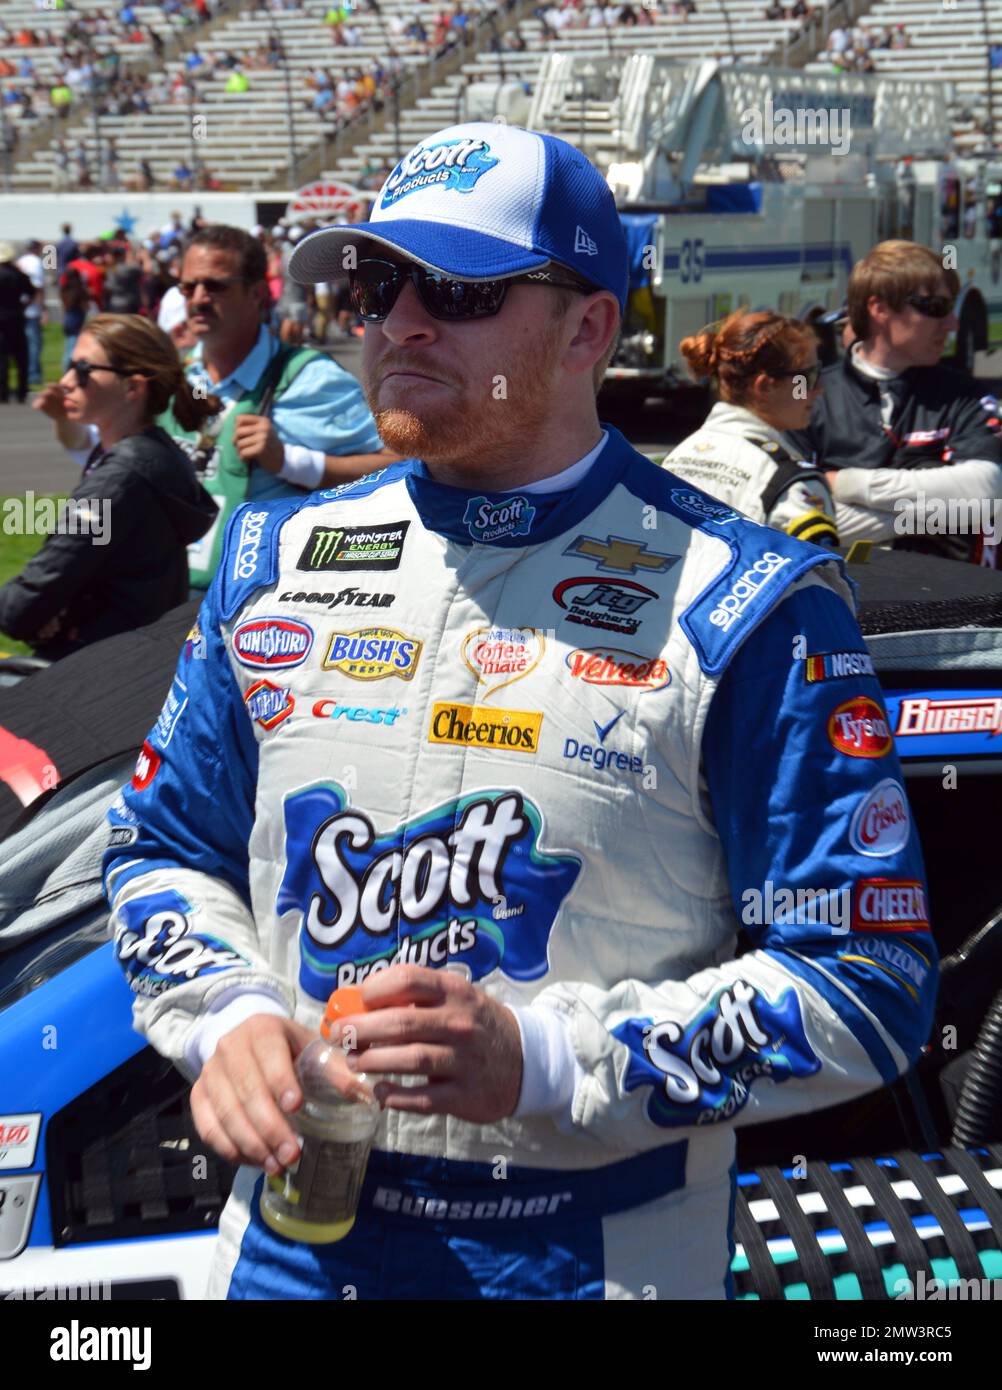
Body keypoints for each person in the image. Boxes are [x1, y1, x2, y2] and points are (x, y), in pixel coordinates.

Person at [104, 121, 937, 1302]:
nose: (398, 322)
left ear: (590, 325)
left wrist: (544, 1060)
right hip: (289, 1241)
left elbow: (867, 977)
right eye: (377, 282)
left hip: (589, 1255)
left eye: (456, 288)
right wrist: (226, 1016)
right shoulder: (270, 555)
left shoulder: (749, 599)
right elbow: (159, 849)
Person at [152, 224, 398, 587]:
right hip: (169, 598)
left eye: (215, 286)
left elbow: (398, 466)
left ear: (255, 293)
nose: (198, 299)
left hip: (258, 608)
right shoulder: (184, 375)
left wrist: (291, 462)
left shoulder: (311, 380)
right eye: (188, 287)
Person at [0, 315, 217, 657]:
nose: (67, 381)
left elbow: (27, 603)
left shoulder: (122, 476)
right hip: (127, 663)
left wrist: (45, 610)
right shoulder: (155, 452)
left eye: (84, 370)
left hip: (93, 671)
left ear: (132, 387)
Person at [787, 241, 1002, 565]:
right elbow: (789, 517)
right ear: (880, 308)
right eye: (936, 307)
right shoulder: (808, 394)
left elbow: (985, 493)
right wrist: (939, 514)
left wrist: (844, 483)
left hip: (956, 602)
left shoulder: (966, 395)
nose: (953, 323)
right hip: (841, 602)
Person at [665, 310, 838, 547]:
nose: (819, 388)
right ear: (765, 387)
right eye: (808, 376)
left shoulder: (676, 459)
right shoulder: (792, 486)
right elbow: (821, 581)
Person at [0, 241, 33, 403]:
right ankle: (21, 390)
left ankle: (3, 391)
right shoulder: (19, 275)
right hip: (16, 317)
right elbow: (31, 292)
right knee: (21, 356)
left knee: (2, 357)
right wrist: (21, 306)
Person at [15, 238, 45, 387]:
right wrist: (42, 309)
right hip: (31, 309)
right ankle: (33, 374)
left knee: (25, 343)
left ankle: (31, 372)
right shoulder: (36, 262)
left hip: (19, 308)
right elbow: (37, 287)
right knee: (34, 343)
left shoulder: (20, 262)